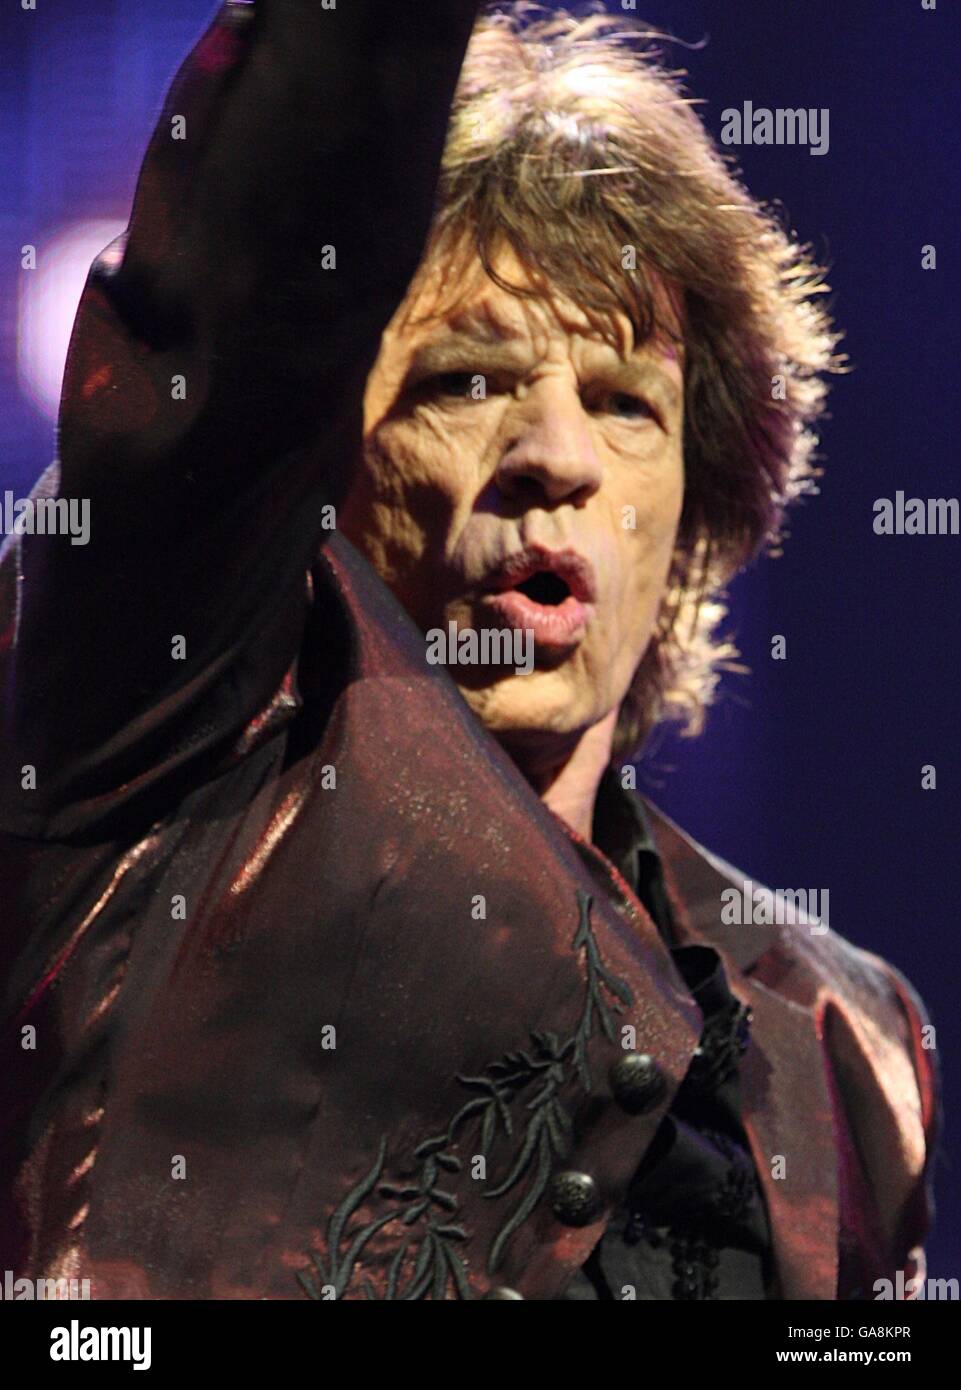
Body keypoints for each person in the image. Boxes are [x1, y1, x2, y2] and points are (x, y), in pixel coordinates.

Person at [0, 0, 939, 1301]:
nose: (554, 455)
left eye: (623, 403)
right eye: (462, 381)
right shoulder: (161, 760)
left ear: (693, 495)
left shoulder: (849, 1033)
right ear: (315, 465)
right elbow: (254, 265)